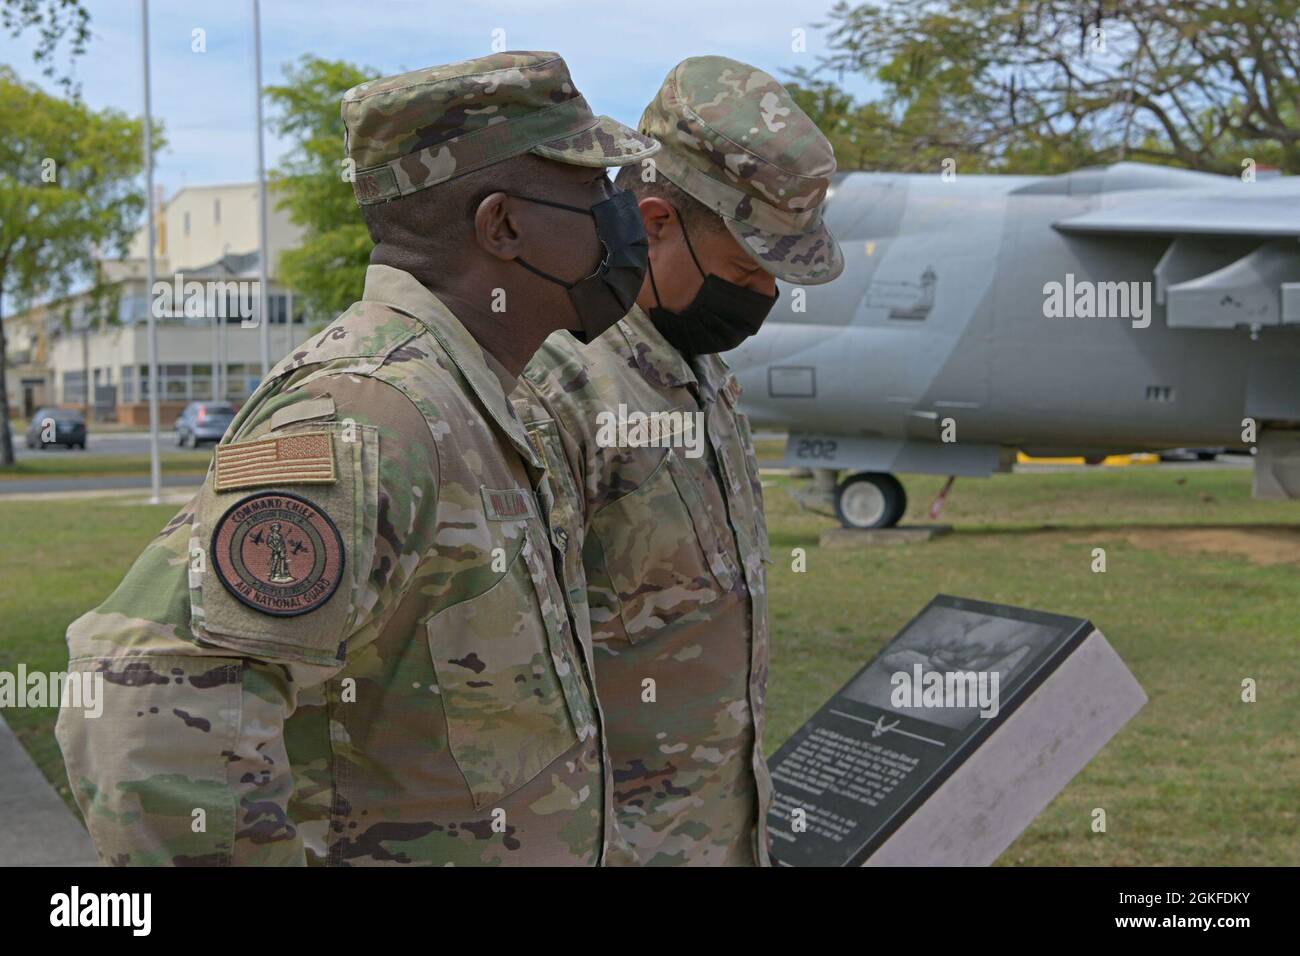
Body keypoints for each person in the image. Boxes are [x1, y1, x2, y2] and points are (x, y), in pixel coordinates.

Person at [55, 51, 658, 866]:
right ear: (502, 226)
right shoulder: (368, 414)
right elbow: (147, 713)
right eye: (592, 193)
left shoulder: (476, 397)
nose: (618, 217)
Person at [520, 56, 844, 865]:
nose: (760, 298)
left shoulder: (701, 373)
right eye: (743, 272)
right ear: (654, 221)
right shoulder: (558, 386)